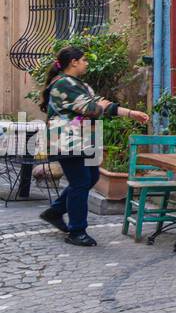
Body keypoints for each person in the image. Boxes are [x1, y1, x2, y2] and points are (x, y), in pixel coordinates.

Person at [40, 46, 151, 246]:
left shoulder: (77, 84)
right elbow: (92, 107)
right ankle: (76, 231)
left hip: (84, 140)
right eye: (83, 60)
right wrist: (101, 105)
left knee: (91, 177)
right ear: (73, 62)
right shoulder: (64, 84)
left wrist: (130, 113)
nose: (86, 63)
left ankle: (55, 211)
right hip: (68, 142)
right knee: (80, 183)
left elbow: (98, 102)